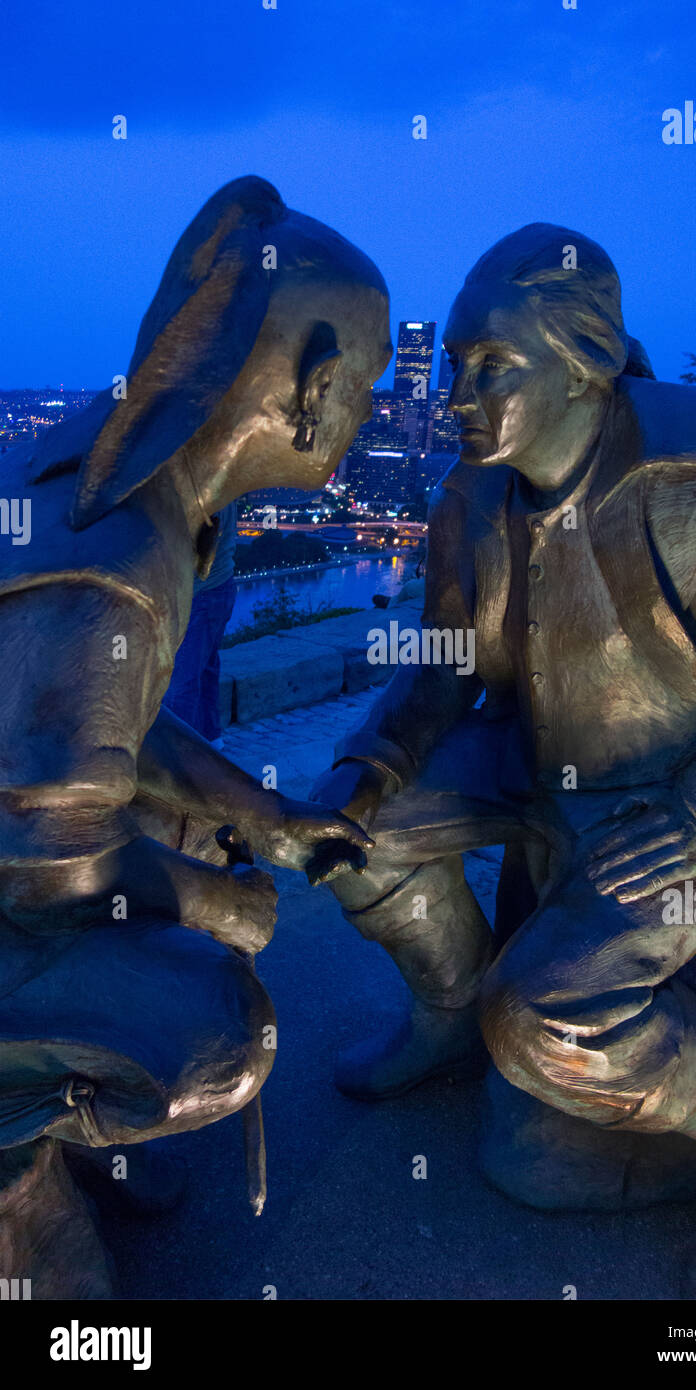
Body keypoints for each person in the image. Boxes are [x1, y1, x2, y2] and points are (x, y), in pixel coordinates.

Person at [312, 223, 696, 1299]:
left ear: (584, 363)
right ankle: (450, 1013)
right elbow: (443, 666)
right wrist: (361, 774)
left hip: (695, 799)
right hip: (534, 756)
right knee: (354, 839)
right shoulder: (472, 490)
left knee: (547, 1015)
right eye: (453, 363)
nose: (455, 394)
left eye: (488, 367)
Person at [0, 176, 391, 1297]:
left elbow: (94, 735)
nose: (362, 419)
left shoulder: (112, 477)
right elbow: (43, 872)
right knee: (218, 1036)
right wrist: (221, 901)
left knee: (183, 834)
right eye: (362, 393)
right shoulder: (119, 570)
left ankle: (74, 1131)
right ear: (313, 388)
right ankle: (26, 1187)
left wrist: (263, 817)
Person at [163, 500, 238, 746]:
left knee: (180, 683)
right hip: (218, 589)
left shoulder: (205, 497)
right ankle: (210, 739)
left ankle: (181, 757)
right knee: (205, 670)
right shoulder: (219, 481)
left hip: (200, 595)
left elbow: (193, 555)